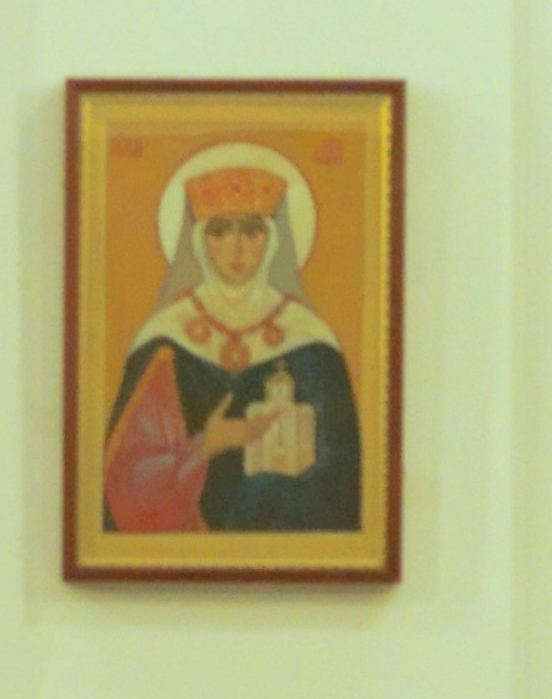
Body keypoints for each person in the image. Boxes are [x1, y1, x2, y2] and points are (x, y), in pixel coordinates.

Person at [99, 141, 365, 534]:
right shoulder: (164, 342)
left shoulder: (310, 341)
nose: (236, 249)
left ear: (273, 240)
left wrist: (271, 493)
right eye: (220, 231)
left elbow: (345, 482)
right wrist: (204, 445)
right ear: (200, 241)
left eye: (252, 231)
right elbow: (122, 482)